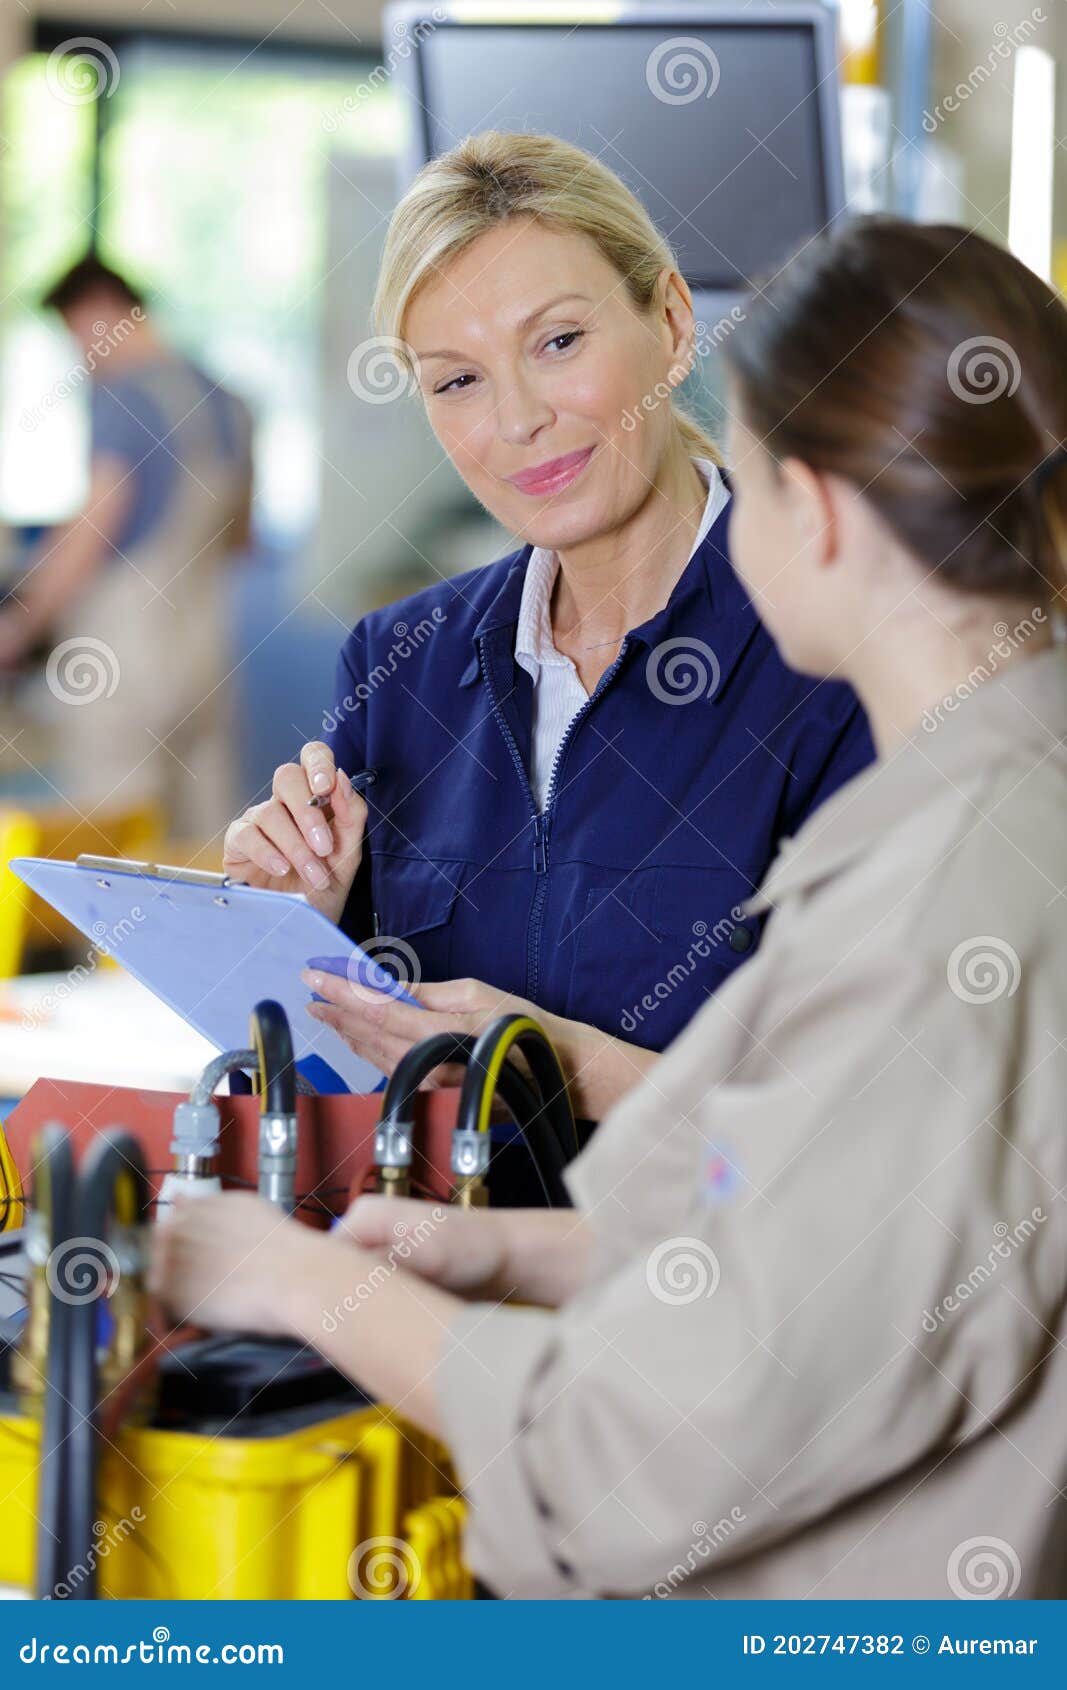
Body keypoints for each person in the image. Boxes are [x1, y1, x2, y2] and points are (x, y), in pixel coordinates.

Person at [156, 215, 1067, 1599]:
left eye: (744, 483)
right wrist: (507, 1247)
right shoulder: (985, 799)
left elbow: (641, 1453)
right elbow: (830, 1242)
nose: (515, 414)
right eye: (453, 376)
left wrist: (297, 1287)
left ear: (808, 513)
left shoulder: (934, 888)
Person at [223, 132, 873, 1126]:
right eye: (456, 381)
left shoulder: (832, 656)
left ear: (667, 321)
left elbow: (872, 1132)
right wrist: (287, 928)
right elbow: (332, 1092)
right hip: (417, 1263)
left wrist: (546, 1061)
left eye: (557, 342)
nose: (517, 419)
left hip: (701, 1274)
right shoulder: (403, 666)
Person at [0, 256, 253, 836]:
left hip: (122, 667)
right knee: (209, 850)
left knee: (114, 853)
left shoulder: (121, 397)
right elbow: (241, 540)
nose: (80, 355)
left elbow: (95, 526)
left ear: (99, 312)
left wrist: (21, 624)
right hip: (206, 657)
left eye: (73, 333)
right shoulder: (228, 403)